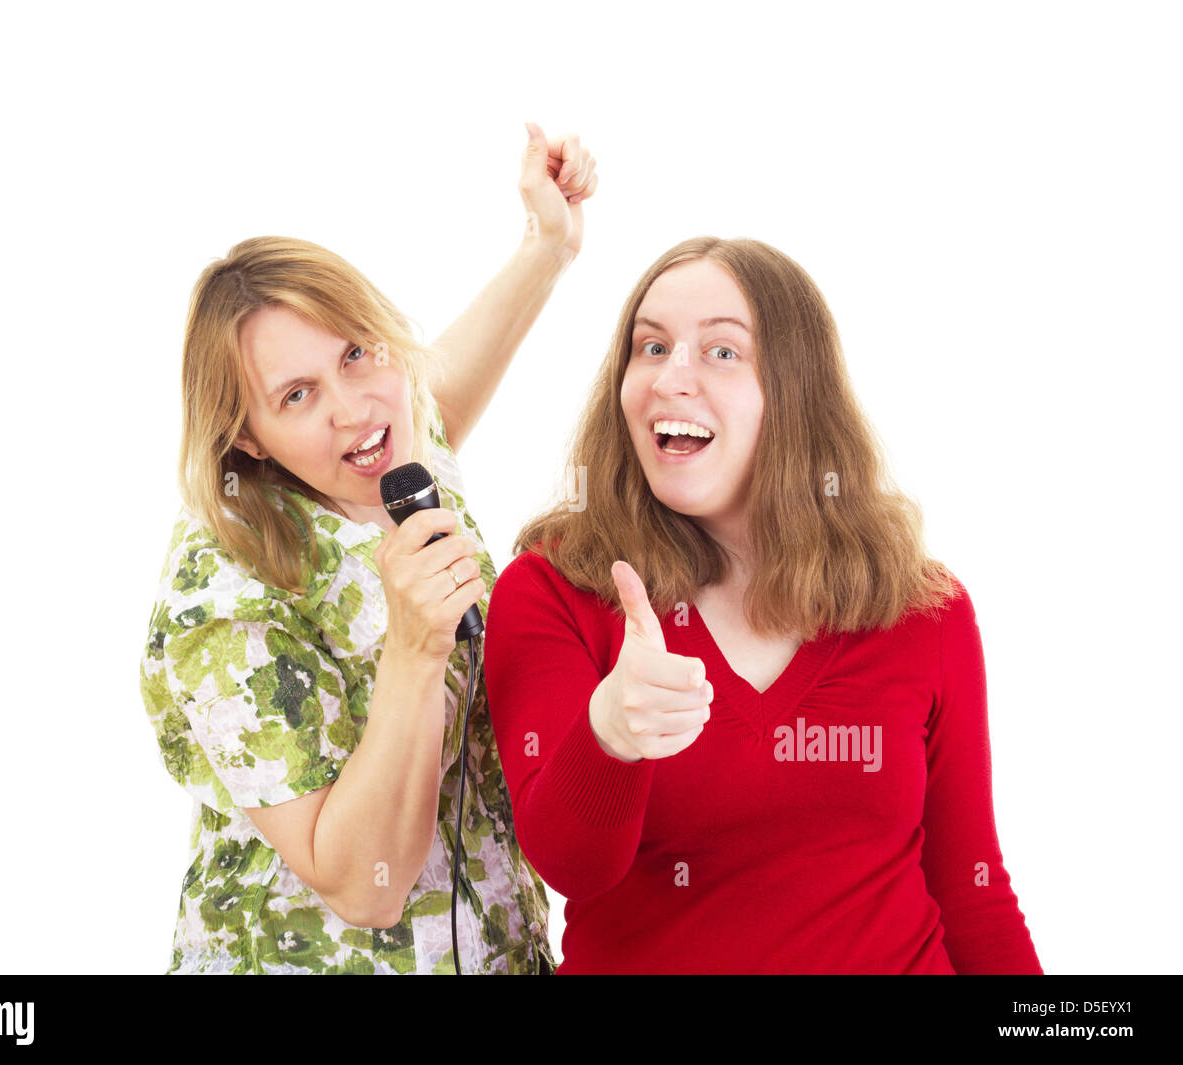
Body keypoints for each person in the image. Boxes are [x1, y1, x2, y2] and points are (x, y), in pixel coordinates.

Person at [483, 237, 1044, 974]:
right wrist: (612, 732)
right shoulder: (554, 588)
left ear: (796, 391)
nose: (669, 378)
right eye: (650, 347)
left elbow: (971, 890)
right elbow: (570, 865)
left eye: (721, 352)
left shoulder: (923, 609)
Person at [138, 122, 598, 974]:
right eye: (299, 393)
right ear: (248, 439)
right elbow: (362, 883)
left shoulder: (396, 461)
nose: (355, 409)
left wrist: (547, 245)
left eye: (358, 352)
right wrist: (415, 650)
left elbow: (431, 399)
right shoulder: (221, 598)